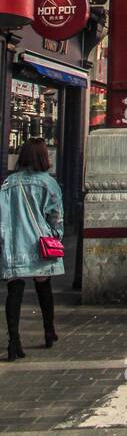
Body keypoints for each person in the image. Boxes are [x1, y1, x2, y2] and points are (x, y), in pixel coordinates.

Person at [0, 137, 63, 359]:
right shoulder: (48, 183)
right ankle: (48, 331)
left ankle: (14, 341)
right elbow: (55, 216)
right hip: (39, 244)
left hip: (14, 244)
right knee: (43, 287)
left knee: (14, 291)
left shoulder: (9, 183)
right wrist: (56, 235)